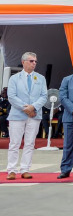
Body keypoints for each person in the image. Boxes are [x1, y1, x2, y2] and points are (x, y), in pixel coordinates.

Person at [6, 51, 47, 179]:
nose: (34, 63)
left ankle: (25, 169)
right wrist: (26, 107)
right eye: (31, 61)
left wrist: (33, 107)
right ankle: (12, 170)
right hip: (18, 114)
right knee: (14, 143)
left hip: (34, 114)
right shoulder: (14, 78)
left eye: (35, 61)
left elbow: (44, 96)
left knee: (30, 143)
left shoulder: (40, 78)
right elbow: (11, 96)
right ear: (23, 62)